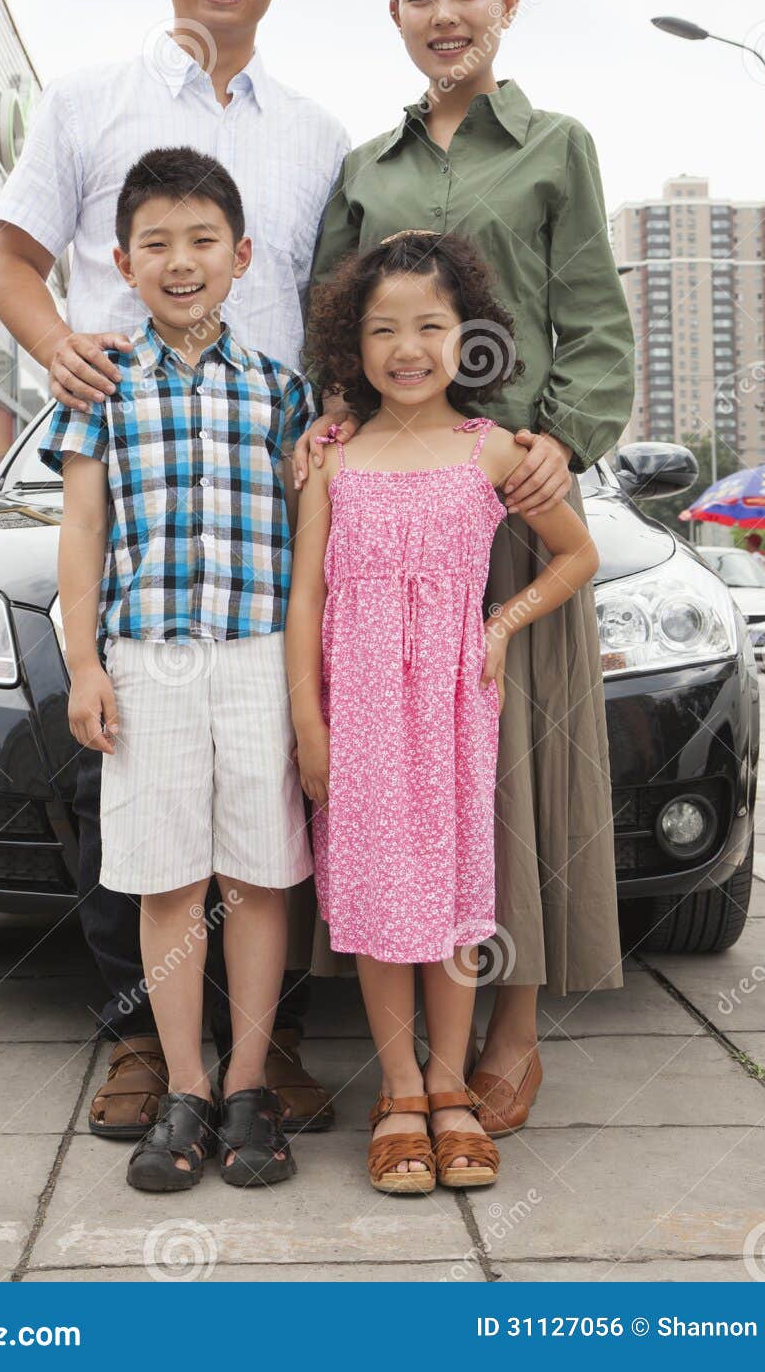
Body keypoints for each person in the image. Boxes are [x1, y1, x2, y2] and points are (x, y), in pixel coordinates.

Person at [0, 0, 348, 1139]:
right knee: (130, 804)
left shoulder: (315, 133)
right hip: (118, 466)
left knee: (265, 820)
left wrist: (338, 417)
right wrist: (58, 353)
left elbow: (333, 307)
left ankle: (265, 1054)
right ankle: (150, 1048)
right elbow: (13, 260)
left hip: (267, 498)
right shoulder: (89, 101)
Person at [293, 0, 634, 1140]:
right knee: (401, 782)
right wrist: (331, 422)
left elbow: (594, 315)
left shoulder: (554, 147)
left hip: (511, 482)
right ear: (393, 14)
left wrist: (563, 437)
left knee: (518, 777)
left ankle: (516, 1033)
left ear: (509, 3)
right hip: (388, 492)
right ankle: (405, 1056)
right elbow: (338, 320)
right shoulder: (362, 174)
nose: (445, 15)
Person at [286, 231, 599, 1193]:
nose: (407, 348)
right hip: (360, 712)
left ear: (469, 339)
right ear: (355, 344)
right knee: (381, 902)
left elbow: (575, 555)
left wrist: (502, 623)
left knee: (459, 897)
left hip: (456, 710)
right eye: (383, 329)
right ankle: (397, 1091)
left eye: (430, 325)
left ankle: (451, 1085)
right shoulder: (334, 457)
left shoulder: (492, 448)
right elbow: (305, 599)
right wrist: (309, 722)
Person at [42, 147, 313, 1191]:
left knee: (253, 873)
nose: (181, 260)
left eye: (203, 240)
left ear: (241, 256)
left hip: (253, 657)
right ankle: (187, 1084)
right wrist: (85, 663)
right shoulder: (100, 383)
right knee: (167, 876)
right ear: (123, 260)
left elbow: (309, 532)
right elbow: (81, 531)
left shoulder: (279, 392)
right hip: (147, 660)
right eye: (156, 243)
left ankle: (250, 1082)